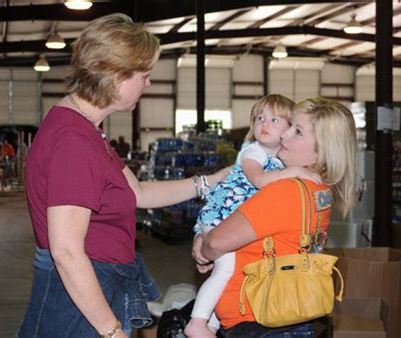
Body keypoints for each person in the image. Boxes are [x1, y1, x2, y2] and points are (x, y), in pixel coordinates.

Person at [18, 14, 229, 338]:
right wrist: (111, 331)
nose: (148, 83)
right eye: (144, 75)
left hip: (95, 288)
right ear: (115, 76)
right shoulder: (73, 143)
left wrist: (212, 181)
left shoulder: (85, 130)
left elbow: (139, 193)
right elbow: (67, 252)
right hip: (80, 301)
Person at [193, 97, 357, 337]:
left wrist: (201, 243)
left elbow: (215, 243)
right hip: (288, 314)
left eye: (298, 132)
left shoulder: (286, 190)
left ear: (320, 152)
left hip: (257, 320)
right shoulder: (319, 189)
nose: (284, 135)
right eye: (290, 126)